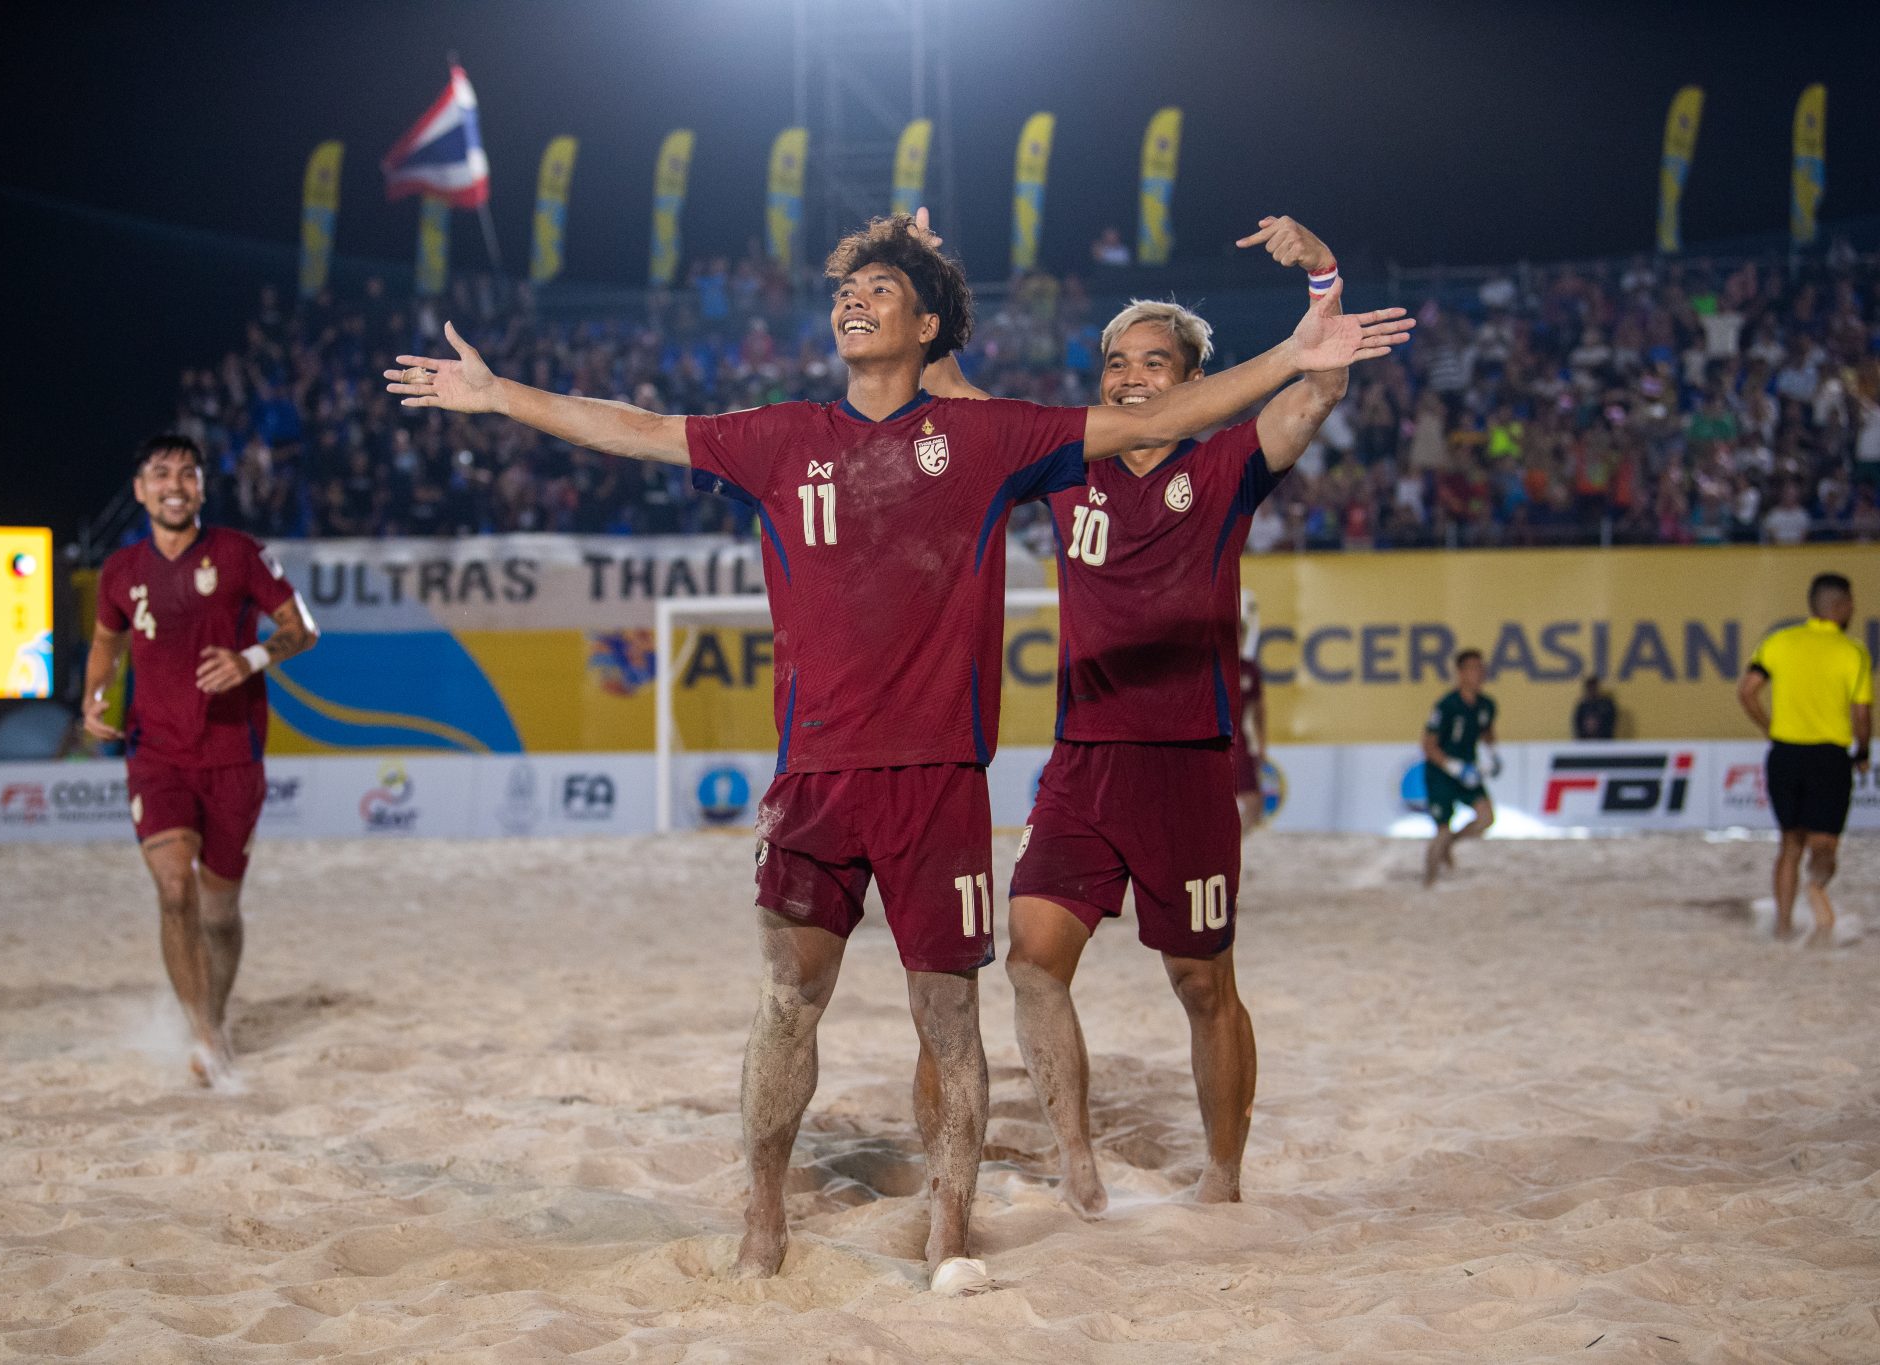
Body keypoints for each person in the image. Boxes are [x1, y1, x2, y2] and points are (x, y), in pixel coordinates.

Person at [386, 211, 1412, 1287]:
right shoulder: (804, 436)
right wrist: (499, 396)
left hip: (1032, 771)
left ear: (923, 324)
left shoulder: (1043, 447)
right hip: (885, 772)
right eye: (846, 290)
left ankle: (1035, 1214)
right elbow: (644, 427)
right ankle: (830, 1205)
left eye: (880, 290)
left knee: (1044, 1002)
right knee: (850, 991)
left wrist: (1301, 339)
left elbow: (1191, 408)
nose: (852, 301)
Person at [922, 213, 1348, 1215]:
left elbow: (1319, 383)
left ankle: (1222, 1176)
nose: (1126, 377)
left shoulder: (1231, 462)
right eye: (1115, 362)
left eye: (1152, 364)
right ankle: (1077, 1162)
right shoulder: (1067, 465)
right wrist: (921, 269)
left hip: (1185, 766)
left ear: (1194, 381)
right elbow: (945, 384)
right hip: (1081, 763)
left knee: (1200, 987)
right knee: (1028, 959)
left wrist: (1320, 274)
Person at [82, 434, 320, 1086]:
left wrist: (250, 658)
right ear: (141, 489)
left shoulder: (240, 554)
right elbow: (106, 643)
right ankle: (203, 1034)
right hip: (154, 753)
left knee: (219, 913)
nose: (175, 484)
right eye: (160, 473)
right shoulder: (120, 571)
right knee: (173, 888)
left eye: (187, 472)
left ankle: (215, 1015)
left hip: (232, 756)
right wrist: (92, 696)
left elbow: (304, 627)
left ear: (201, 489)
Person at [1737, 572, 1872, 946]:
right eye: (1850, 602)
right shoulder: (1853, 652)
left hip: (1785, 754)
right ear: (1839, 607)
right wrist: (1863, 751)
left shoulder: (1779, 642)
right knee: (1825, 846)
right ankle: (1816, 889)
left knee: (1789, 844)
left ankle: (1782, 926)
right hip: (1828, 757)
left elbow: (1747, 692)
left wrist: (1771, 729)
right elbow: (1861, 713)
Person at [1423, 649, 1499, 886]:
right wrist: (1453, 767)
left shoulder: (1487, 705)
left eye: (1481, 668)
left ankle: (1451, 845)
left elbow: (1487, 734)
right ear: (1461, 673)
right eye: (1474, 668)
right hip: (1441, 774)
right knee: (1442, 831)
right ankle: (1429, 880)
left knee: (1486, 818)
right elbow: (1428, 744)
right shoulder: (1446, 705)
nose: (1480, 673)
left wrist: (1493, 756)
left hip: (1469, 771)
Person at [1233, 617, 1270, 838]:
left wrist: (1262, 743)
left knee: (1254, 800)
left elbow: (1258, 710)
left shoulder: (1249, 670)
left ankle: (1237, 843)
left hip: (1237, 738)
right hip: (1211, 738)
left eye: (1241, 635)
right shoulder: (1210, 666)